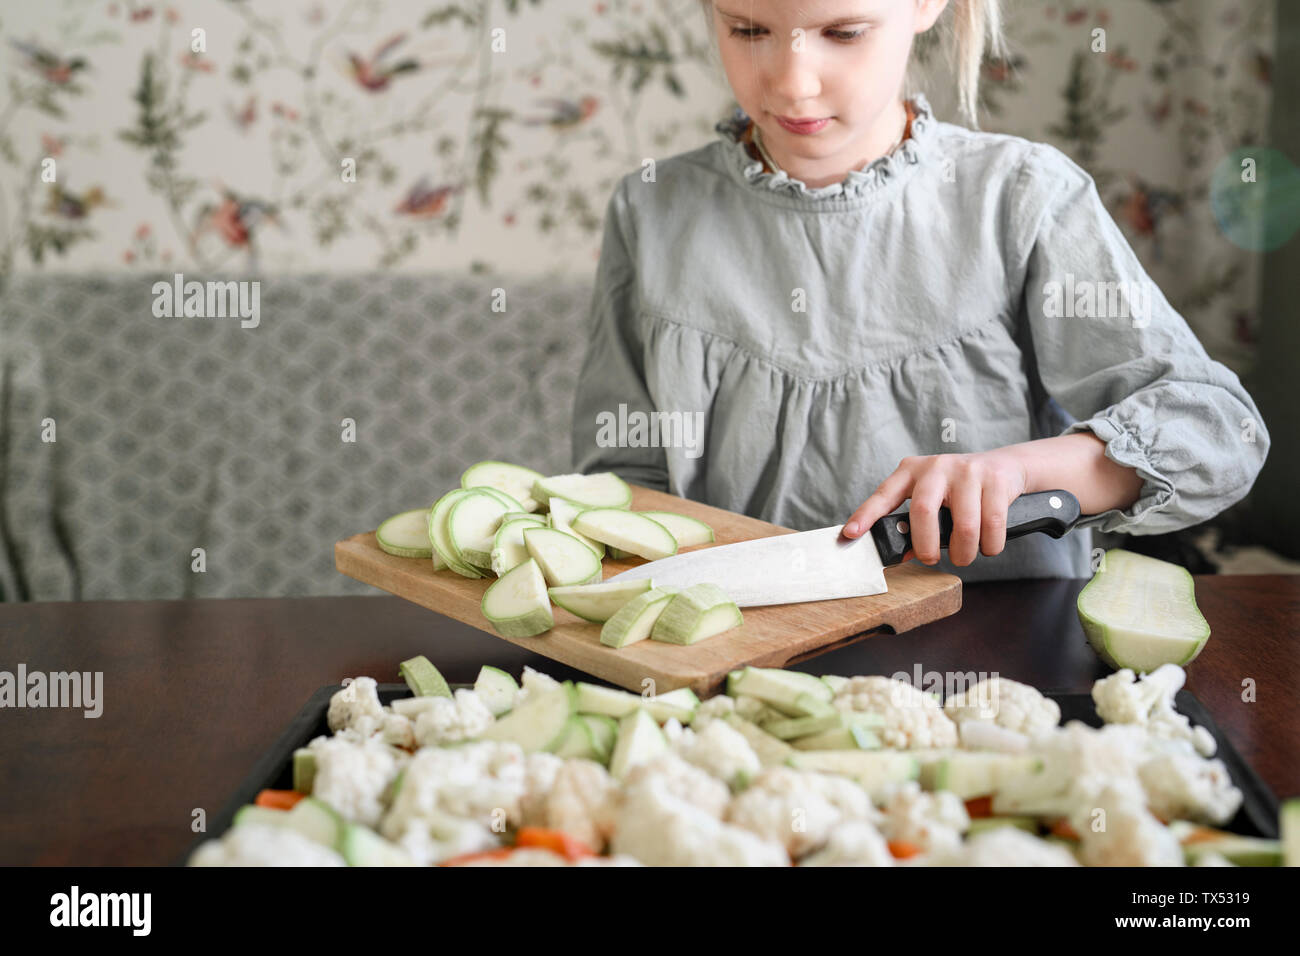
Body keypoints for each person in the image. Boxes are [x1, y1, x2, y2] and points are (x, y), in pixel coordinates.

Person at [570, 0, 1268, 581]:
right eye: (747, 28)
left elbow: (1218, 433)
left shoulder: (1023, 197)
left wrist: (1023, 469)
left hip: (999, 662)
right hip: (735, 662)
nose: (790, 83)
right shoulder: (650, 208)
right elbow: (624, 478)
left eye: (843, 32)